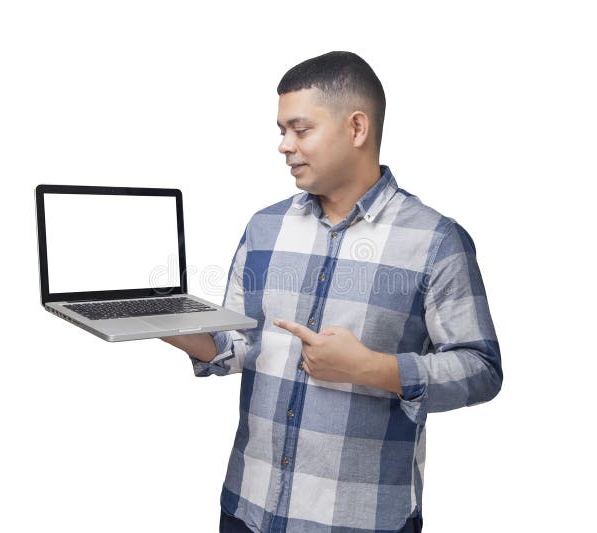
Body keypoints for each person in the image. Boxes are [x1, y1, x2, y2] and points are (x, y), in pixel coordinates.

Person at [161, 51, 502, 533]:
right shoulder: (265, 227)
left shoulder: (436, 241)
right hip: (247, 511)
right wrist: (162, 319)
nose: (284, 145)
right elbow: (233, 345)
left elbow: (482, 369)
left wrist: (374, 369)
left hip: (359, 522)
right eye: (281, 131)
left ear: (357, 128)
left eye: (300, 130)